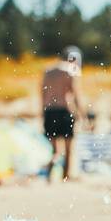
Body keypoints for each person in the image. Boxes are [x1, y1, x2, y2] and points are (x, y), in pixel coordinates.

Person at [41, 45, 85, 181]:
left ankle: (49, 174)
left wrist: (42, 112)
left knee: (54, 150)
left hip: (49, 111)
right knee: (68, 149)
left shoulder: (48, 71)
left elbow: (42, 93)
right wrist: (82, 114)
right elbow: (75, 93)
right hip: (64, 110)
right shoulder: (71, 69)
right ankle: (65, 177)